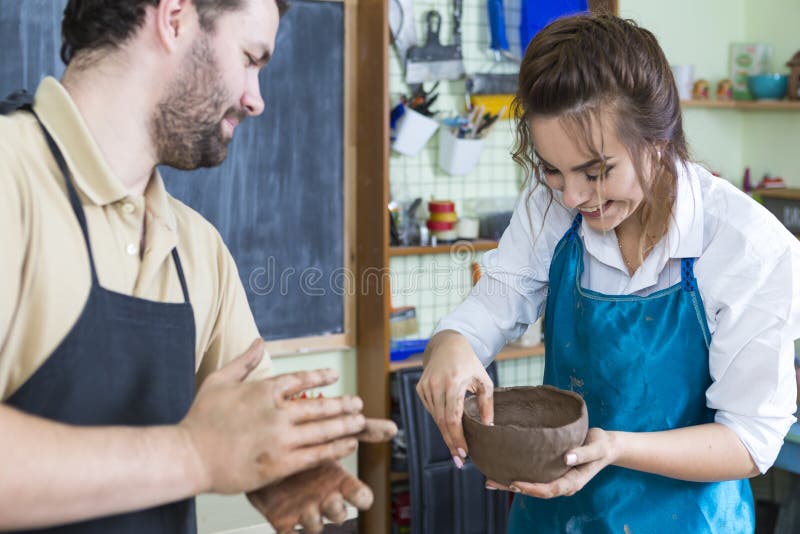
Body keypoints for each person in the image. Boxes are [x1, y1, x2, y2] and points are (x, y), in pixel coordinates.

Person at [0, 1, 395, 533]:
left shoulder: (196, 247)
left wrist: (277, 466)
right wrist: (192, 455)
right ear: (175, 16)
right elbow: (204, 451)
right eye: (251, 58)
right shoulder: (11, 179)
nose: (257, 100)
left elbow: (249, 424)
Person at [417, 13, 799, 533]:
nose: (573, 197)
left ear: (656, 140)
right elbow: (492, 303)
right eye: (552, 171)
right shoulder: (550, 208)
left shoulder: (747, 246)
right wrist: (451, 348)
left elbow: (750, 441)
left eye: (596, 173)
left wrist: (614, 448)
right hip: (554, 515)